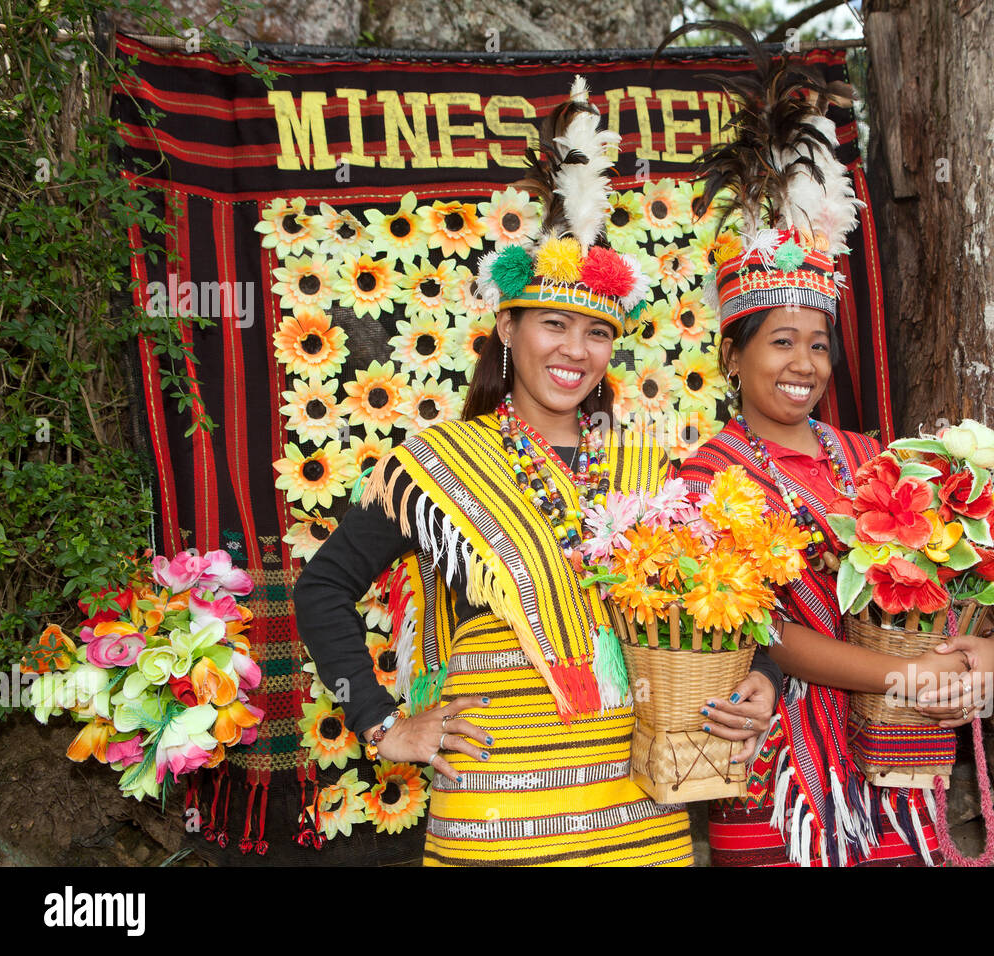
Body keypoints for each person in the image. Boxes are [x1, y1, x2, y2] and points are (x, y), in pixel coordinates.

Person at [293, 76, 779, 866]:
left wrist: (762, 680)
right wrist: (384, 725)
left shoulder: (649, 466)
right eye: (553, 324)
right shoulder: (437, 464)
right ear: (507, 327)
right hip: (494, 800)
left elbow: (721, 605)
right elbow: (320, 590)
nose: (574, 351)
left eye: (595, 333)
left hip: (638, 799)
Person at [659, 21, 994, 866]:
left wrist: (985, 656)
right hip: (777, 776)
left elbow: (966, 590)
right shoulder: (704, 477)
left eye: (819, 345)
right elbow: (760, 635)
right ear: (734, 354)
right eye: (780, 342)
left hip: (902, 763)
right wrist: (898, 675)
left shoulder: (876, 460)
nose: (804, 364)